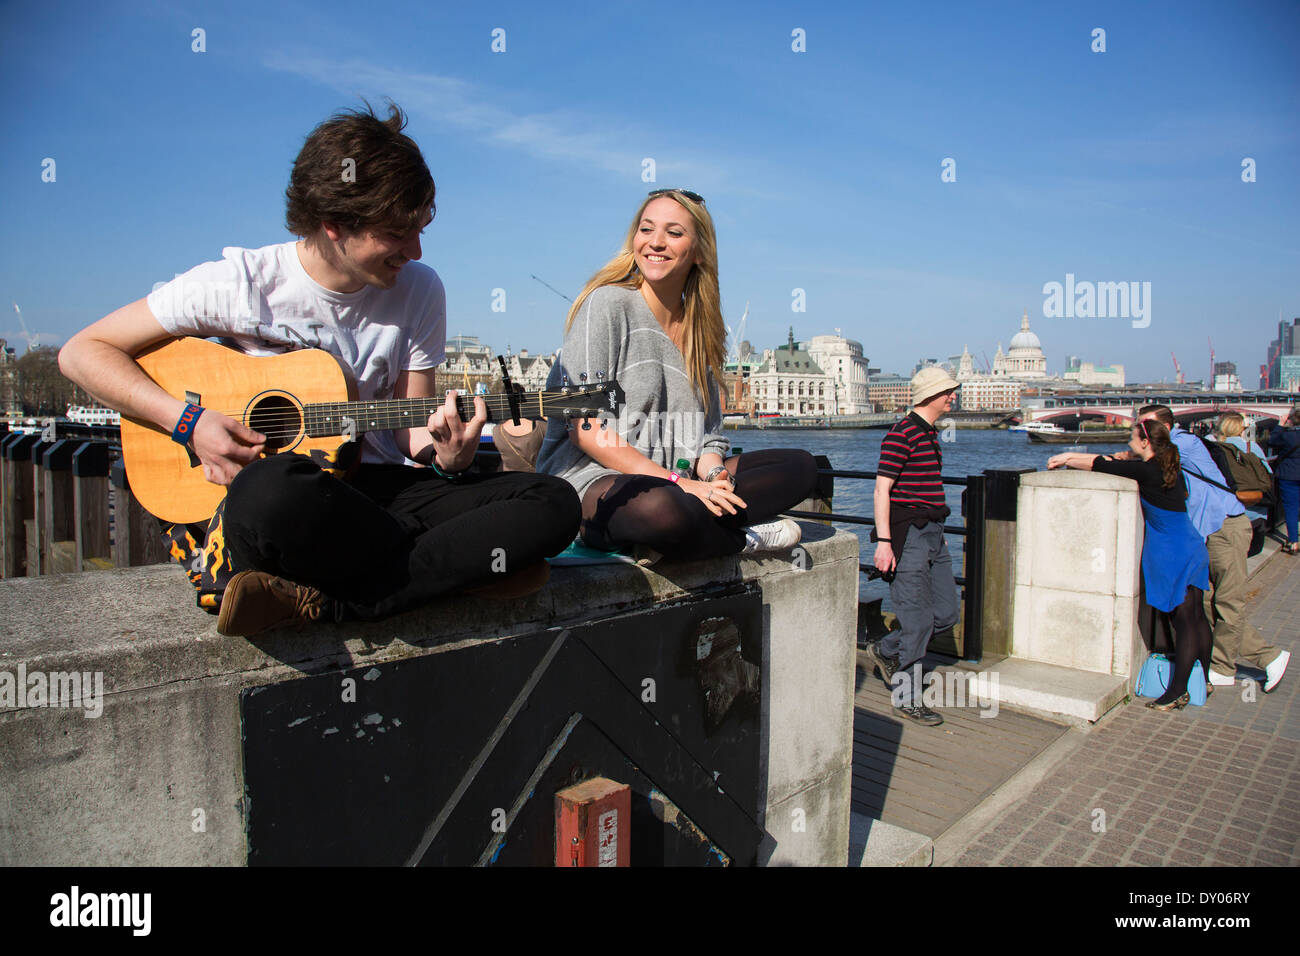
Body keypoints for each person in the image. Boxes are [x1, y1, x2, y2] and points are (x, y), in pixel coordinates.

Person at [58, 103, 581, 637]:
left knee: (554, 501)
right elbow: (82, 352)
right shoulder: (241, 281)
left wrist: (447, 455)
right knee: (272, 490)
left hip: (377, 494)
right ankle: (446, 568)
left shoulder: (422, 289)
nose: (416, 249)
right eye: (396, 233)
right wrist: (189, 424)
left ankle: (332, 599)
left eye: (420, 228)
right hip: (289, 498)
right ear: (334, 224)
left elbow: (410, 432)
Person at [536, 188, 817, 562]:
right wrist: (680, 485)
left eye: (674, 232)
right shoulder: (607, 304)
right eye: (646, 229)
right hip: (592, 481)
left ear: (699, 251)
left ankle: (686, 532)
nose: (655, 242)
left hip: (676, 480)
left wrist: (716, 475)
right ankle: (737, 539)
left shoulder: (701, 332)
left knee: (801, 467)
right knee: (660, 510)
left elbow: (709, 439)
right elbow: (584, 428)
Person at [1048, 420, 1211, 710]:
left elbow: (1103, 465)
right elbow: (1117, 461)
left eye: (1132, 438)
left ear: (1145, 442)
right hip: (1192, 544)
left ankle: (1176, 691)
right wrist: (1078, 458)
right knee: (1197, 617)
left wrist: (1066, 458)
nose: (1128, 442)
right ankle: (1202, 680)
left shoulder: (1146, 470)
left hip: (1172, 551)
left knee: (1183, 622)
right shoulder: (1167, 466)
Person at [1135, 406, 1288, 694]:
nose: (1143, 432)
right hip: (1207, 531)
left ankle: (1223, 668)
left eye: (1147, 426)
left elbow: (1152, 461)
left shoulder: (1184, 443)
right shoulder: (1174, 447)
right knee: (1206, 603)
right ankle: (1269, 656)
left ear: (1165, 427)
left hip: (1226, 526)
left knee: (1228, 601)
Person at [860, 367, 961, 727]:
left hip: (934, 533)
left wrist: (941, 532)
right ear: (932, 394)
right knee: (917, 621)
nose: (953, 396)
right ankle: (906, 699)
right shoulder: (901, 435)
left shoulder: (929, 435)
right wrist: (884, 543)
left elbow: (928, 489)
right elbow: (881, 489)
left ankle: (886, 650)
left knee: (947, 613)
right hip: (909, 538)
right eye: (948, 391)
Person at [1271, 404, 1300, 556]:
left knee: (1291, 508)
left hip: (1288, 474)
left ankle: (1294, 542)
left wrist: (1280, 425)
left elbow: (1272, 441)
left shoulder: (1288, 436)